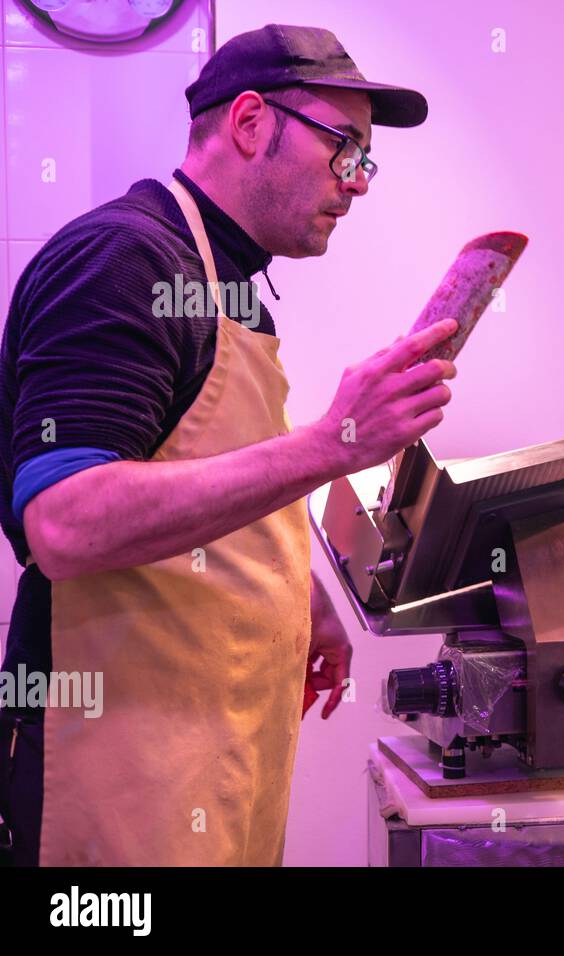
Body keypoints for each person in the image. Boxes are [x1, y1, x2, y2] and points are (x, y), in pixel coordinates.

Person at [0, 24, 458, 866]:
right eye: (344, 149)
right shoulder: (122, 262)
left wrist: (302, 591)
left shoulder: (234, 290)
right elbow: (64, 524)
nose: (358, 184)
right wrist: (335, 442)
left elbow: (204, 471)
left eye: (366, 160)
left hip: (217, 765)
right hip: (115, 772)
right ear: (250, 123)